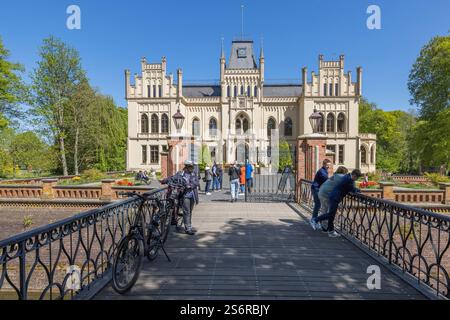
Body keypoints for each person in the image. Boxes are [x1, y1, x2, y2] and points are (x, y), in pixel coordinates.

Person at [313, 169, 362, 238]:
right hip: (335, 197)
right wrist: (358, 190)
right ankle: (315, 220)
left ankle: (331, 231)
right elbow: (352, 189)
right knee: (331, 214)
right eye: (357, 178)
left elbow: (351, 187)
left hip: (333, 196)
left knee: (331, 215)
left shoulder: (347, 176)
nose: (356, 179)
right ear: (354, 175)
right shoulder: (348, 180)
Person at [160, 160, 199, 235]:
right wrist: (163, 181)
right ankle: (188, 228)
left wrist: (191, 185)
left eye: (192, 167)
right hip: (185, 195)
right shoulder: (180, 174)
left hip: (193, 195)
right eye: (191, 167)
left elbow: (196, 182)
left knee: (190, 212)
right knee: (186, 211)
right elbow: (172, 178)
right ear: (187, 167)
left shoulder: (194, 174)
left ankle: (189, 226)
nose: (192, 168)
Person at [311, 166, 348, 231]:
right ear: (344, 172)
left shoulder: (335, 176)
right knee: (328, 211)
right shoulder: (341, 176)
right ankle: (318, 222)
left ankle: (324, 226)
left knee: (325, 210)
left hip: (322, 192)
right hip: (325, 194)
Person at [310, 159, 332, 228]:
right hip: (316, 189)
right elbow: (326, 180)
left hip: (317, 189)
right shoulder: (322, 171)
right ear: (323, 165)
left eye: (329, 165)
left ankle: (314, 219)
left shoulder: (324, 171)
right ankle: (314, 220)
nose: (328, 166)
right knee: (318, 205)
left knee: (318, 205)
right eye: (327, 165)